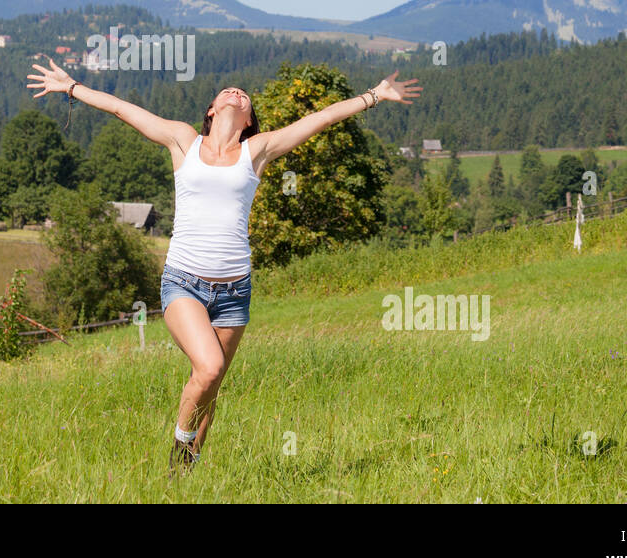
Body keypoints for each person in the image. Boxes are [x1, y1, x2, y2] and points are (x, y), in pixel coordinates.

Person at [26, 56, 421, 477]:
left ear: (248, 119)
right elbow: (124, 109)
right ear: (211, 110)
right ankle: (180, 446)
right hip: (183, 284)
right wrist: (72, 88)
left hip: (234, 293)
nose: (236, 92)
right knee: (209, 367)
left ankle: (183, 475)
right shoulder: (183, 140)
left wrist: (375, 95)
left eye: (244, 95)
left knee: (210, 388)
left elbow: (320, 119)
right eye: (227, 91)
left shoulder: (257, 150)